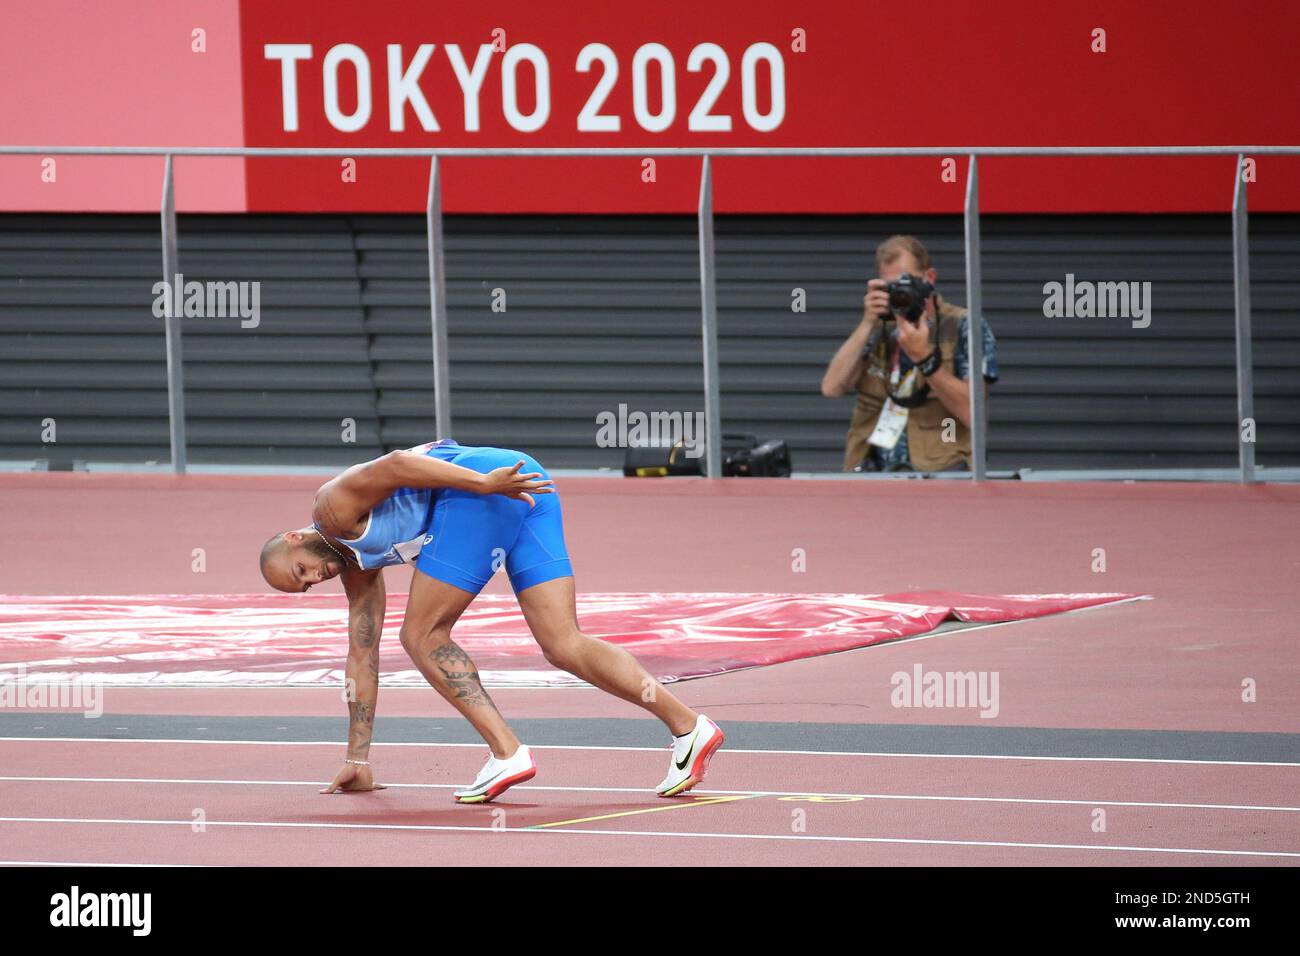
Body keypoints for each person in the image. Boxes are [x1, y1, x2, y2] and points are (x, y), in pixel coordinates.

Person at [259, 439, 724, 803]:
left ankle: (506, 753)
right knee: (562, 642)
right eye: (305, 587)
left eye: (301, 570)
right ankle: (689, 728)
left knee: (421, 635)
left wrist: (482, 485)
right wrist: (357, 757)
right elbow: (362, 656)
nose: (314, 579)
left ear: (295, 537)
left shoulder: (330, 509)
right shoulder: (359, 570)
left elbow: (396, 464)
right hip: (524, 481)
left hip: (487, 486)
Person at [821, 235, 999, 472]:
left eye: (906, 283)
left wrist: (925, 359)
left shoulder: (963, 325)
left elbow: (972, 414)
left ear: (930, 278)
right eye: (891, 287)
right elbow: (831, 388)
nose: (899, 295)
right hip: (871, 472)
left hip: (941, 472)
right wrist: (867, 324)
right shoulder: (880, 326)